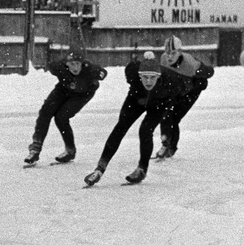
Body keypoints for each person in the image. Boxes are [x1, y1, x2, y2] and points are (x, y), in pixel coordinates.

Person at [83, 50, 193, 186]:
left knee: (145, 130)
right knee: (120, 127)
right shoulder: (132, 73)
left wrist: (172, 108)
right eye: (144, 77)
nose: (148, 81)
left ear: (159, 77)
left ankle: (142, 168)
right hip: (136, 99)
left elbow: (187, 88)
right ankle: (100, 168)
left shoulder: (171, 80)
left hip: (159, 104)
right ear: (139, 76)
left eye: (152, 78)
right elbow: (132, 66)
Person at [24, 43, 107, 165]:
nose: (75, 68)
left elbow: (103, 73)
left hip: (82, 94)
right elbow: (50, 65)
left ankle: (70, 150)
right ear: (66, 64)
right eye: (72, 64)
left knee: (61, 117)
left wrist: (99, 74)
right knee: (46, 112)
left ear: (82, 64)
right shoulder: (59, 67)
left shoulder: (90, 69)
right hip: (63, 90)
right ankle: (35, 148)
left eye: (78, 64)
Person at [155, 36, 214, 158]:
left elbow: (210, 72)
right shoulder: (163, 59)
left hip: (190, 91)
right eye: (167, 53)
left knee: (174, 118)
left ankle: (171, 147)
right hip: (175, 88)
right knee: (166, 113)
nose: (169, 56)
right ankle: (166, 144)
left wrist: (200, 80)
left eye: (173, 53)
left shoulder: (190, 63)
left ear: (180, 52)